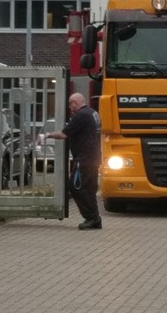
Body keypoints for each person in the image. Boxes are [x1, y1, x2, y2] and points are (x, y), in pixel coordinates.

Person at [46, 93, 102, 230]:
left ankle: (91, 217)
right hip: (94, 157)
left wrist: (46, 135)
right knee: (89, 188)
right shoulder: (93, 113)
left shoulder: (81, 115)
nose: (70, 107)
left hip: (83, 158)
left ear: (75, 102)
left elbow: (63, 134)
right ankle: (95, 220)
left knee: (75, 187)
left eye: (71, 104)